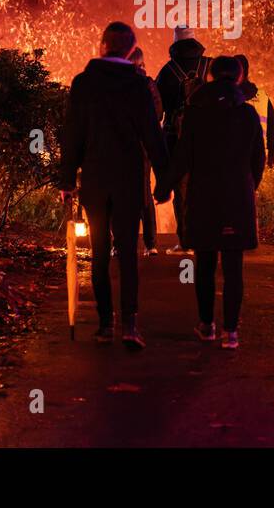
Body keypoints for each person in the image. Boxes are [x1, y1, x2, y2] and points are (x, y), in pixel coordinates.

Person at [58, 22, 169, 349]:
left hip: (94, 179)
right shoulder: (137, 86)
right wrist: (164, 179)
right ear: (131, 49)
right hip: (128, 179)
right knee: (128, 253)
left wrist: (67, 180)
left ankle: (105, 323)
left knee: (100, 252)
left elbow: (72, 135)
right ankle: (130, 324)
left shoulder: (83, 84)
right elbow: (153, 134)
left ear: (102, 44)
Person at [156, 55, 264, 350]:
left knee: (204, 264)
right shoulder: (248, 115)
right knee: (233, 267)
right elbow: (258, 160)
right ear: (239, 77)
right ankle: (232, 332)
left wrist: (163, 187)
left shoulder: (195, 114)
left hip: (204, 195)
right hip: (237, 198)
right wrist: (248, 186)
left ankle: (207, 325)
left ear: (212, 76)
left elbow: (182, 157)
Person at [154, 26, 210, 255]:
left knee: (182, 191)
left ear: (174, 44)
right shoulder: (211, 66)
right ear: (196, 41)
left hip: (176, 141)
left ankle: (186, 242)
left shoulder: (167, 71)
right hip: (208, 139)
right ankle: (206, 237)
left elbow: (158, 111)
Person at [129, 47, 162, 256]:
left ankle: (121, 243)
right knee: (144, 190)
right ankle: (151, 244)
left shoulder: (116, 84)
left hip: (121, 143)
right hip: (144, 145)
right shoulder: (149, 84)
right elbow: (158, 113)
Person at [234, 54, 274, 168]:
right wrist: (272, 153)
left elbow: (272, 126)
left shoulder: (227, 96)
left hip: (236, 156)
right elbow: (272, 127)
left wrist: (272, 153)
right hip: (256, 156)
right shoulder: (262, 97)